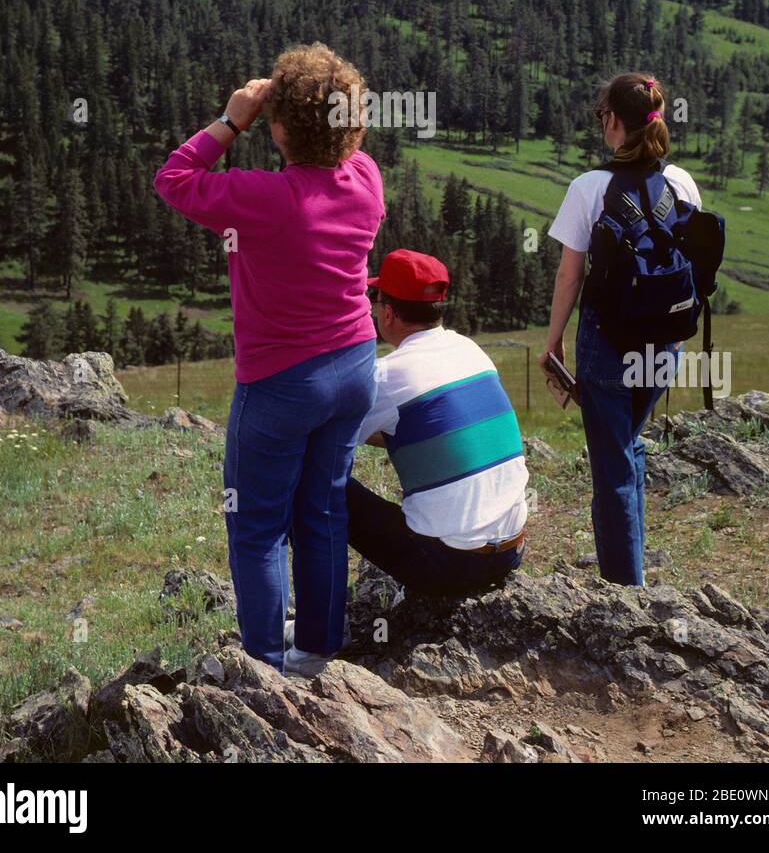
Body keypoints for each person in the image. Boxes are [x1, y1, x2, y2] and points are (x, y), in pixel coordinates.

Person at [153, 43, 384, 675]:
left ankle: (263, 670)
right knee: (325, 508)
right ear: (353, 124)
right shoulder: (365, 178)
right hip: (355, 366)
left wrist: (233, 120)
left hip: (283, 383)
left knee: (256, 527)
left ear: (279, 129)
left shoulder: (263, 198)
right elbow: (341, 145)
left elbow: (172, 179)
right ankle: (318, 651)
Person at [540, 72, 702, 587]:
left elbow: (571, 274)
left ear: (612, 121)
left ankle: (624, 596)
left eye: (599, 115)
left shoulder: (589, 188)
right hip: (665, 342)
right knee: (629, 445)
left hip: (606, 344)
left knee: (611, 469)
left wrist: (552, 343)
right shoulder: (682, 183)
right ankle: (633, 572)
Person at [347, 248, 528, 597]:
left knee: (314, 487)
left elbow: (332, 435)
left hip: (448, 565)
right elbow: (434, 429)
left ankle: (320, 627)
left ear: (387, 313)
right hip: (511, 551)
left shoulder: (388, 375)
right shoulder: (471, 351)